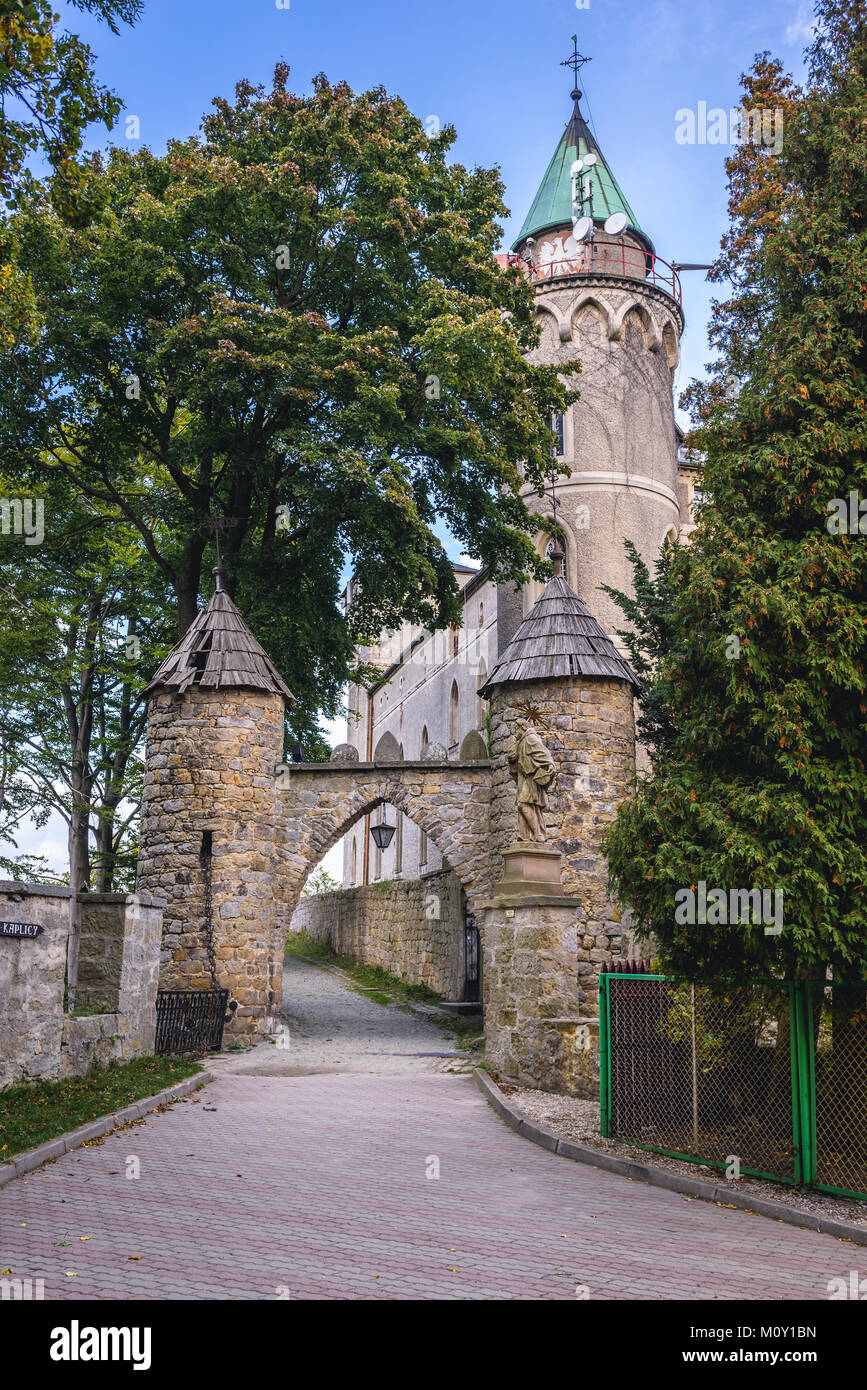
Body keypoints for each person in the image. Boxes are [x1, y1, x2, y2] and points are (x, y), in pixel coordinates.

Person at [508, 716, 556, 843]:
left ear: (523, 728)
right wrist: (514, 740)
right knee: (523, 806)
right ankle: (526, 836)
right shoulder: (521, 741)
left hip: (531, 778)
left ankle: (537, 834)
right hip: (523, 778)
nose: (515, 733)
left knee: (523, 804)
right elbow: (511, 757)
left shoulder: (530, 739)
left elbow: (543, 753)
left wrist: (550, 764)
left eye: (516, 730)